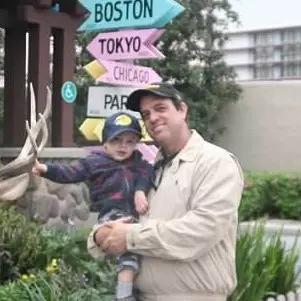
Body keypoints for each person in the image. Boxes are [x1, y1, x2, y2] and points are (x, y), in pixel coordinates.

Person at [87, 82, 245, 301]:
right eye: (145, 114)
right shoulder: (148, 168)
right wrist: (99, 235)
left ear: (182, 110)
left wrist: (130, 237)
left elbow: (202, 230)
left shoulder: (214, 162)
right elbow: (121, 216)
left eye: (160, 108)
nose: (152, 118)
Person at [32, 112, 154, 301]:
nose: (123, 146)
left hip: (134, 216)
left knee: (138, 255)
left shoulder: (140, 164)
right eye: (117, 140)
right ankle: (123, 296)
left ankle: (129, 290)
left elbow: (147, 175)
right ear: (105, 144)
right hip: (111, 215)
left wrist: (139, 191)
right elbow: (70, 172)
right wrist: (47, 170)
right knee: (128, 256)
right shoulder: (94, 163)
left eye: (130, 141)